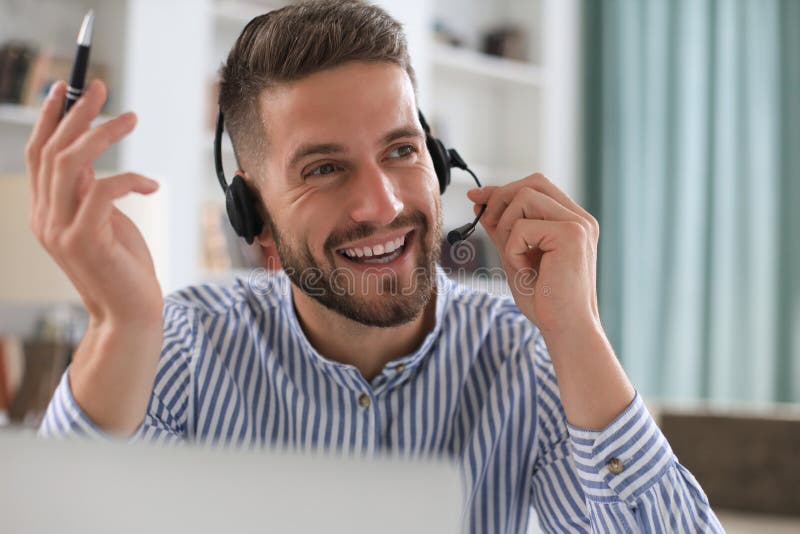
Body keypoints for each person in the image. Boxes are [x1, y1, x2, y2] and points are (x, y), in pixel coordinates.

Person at [29, 1, 722, 532]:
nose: (381, 204)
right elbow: (60, 517)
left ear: (440, 161)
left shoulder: (529, 358)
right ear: (254, 211)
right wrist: (121, 324)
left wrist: (577, 330)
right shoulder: (176, 345)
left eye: (401, 151)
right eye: (324, 168)